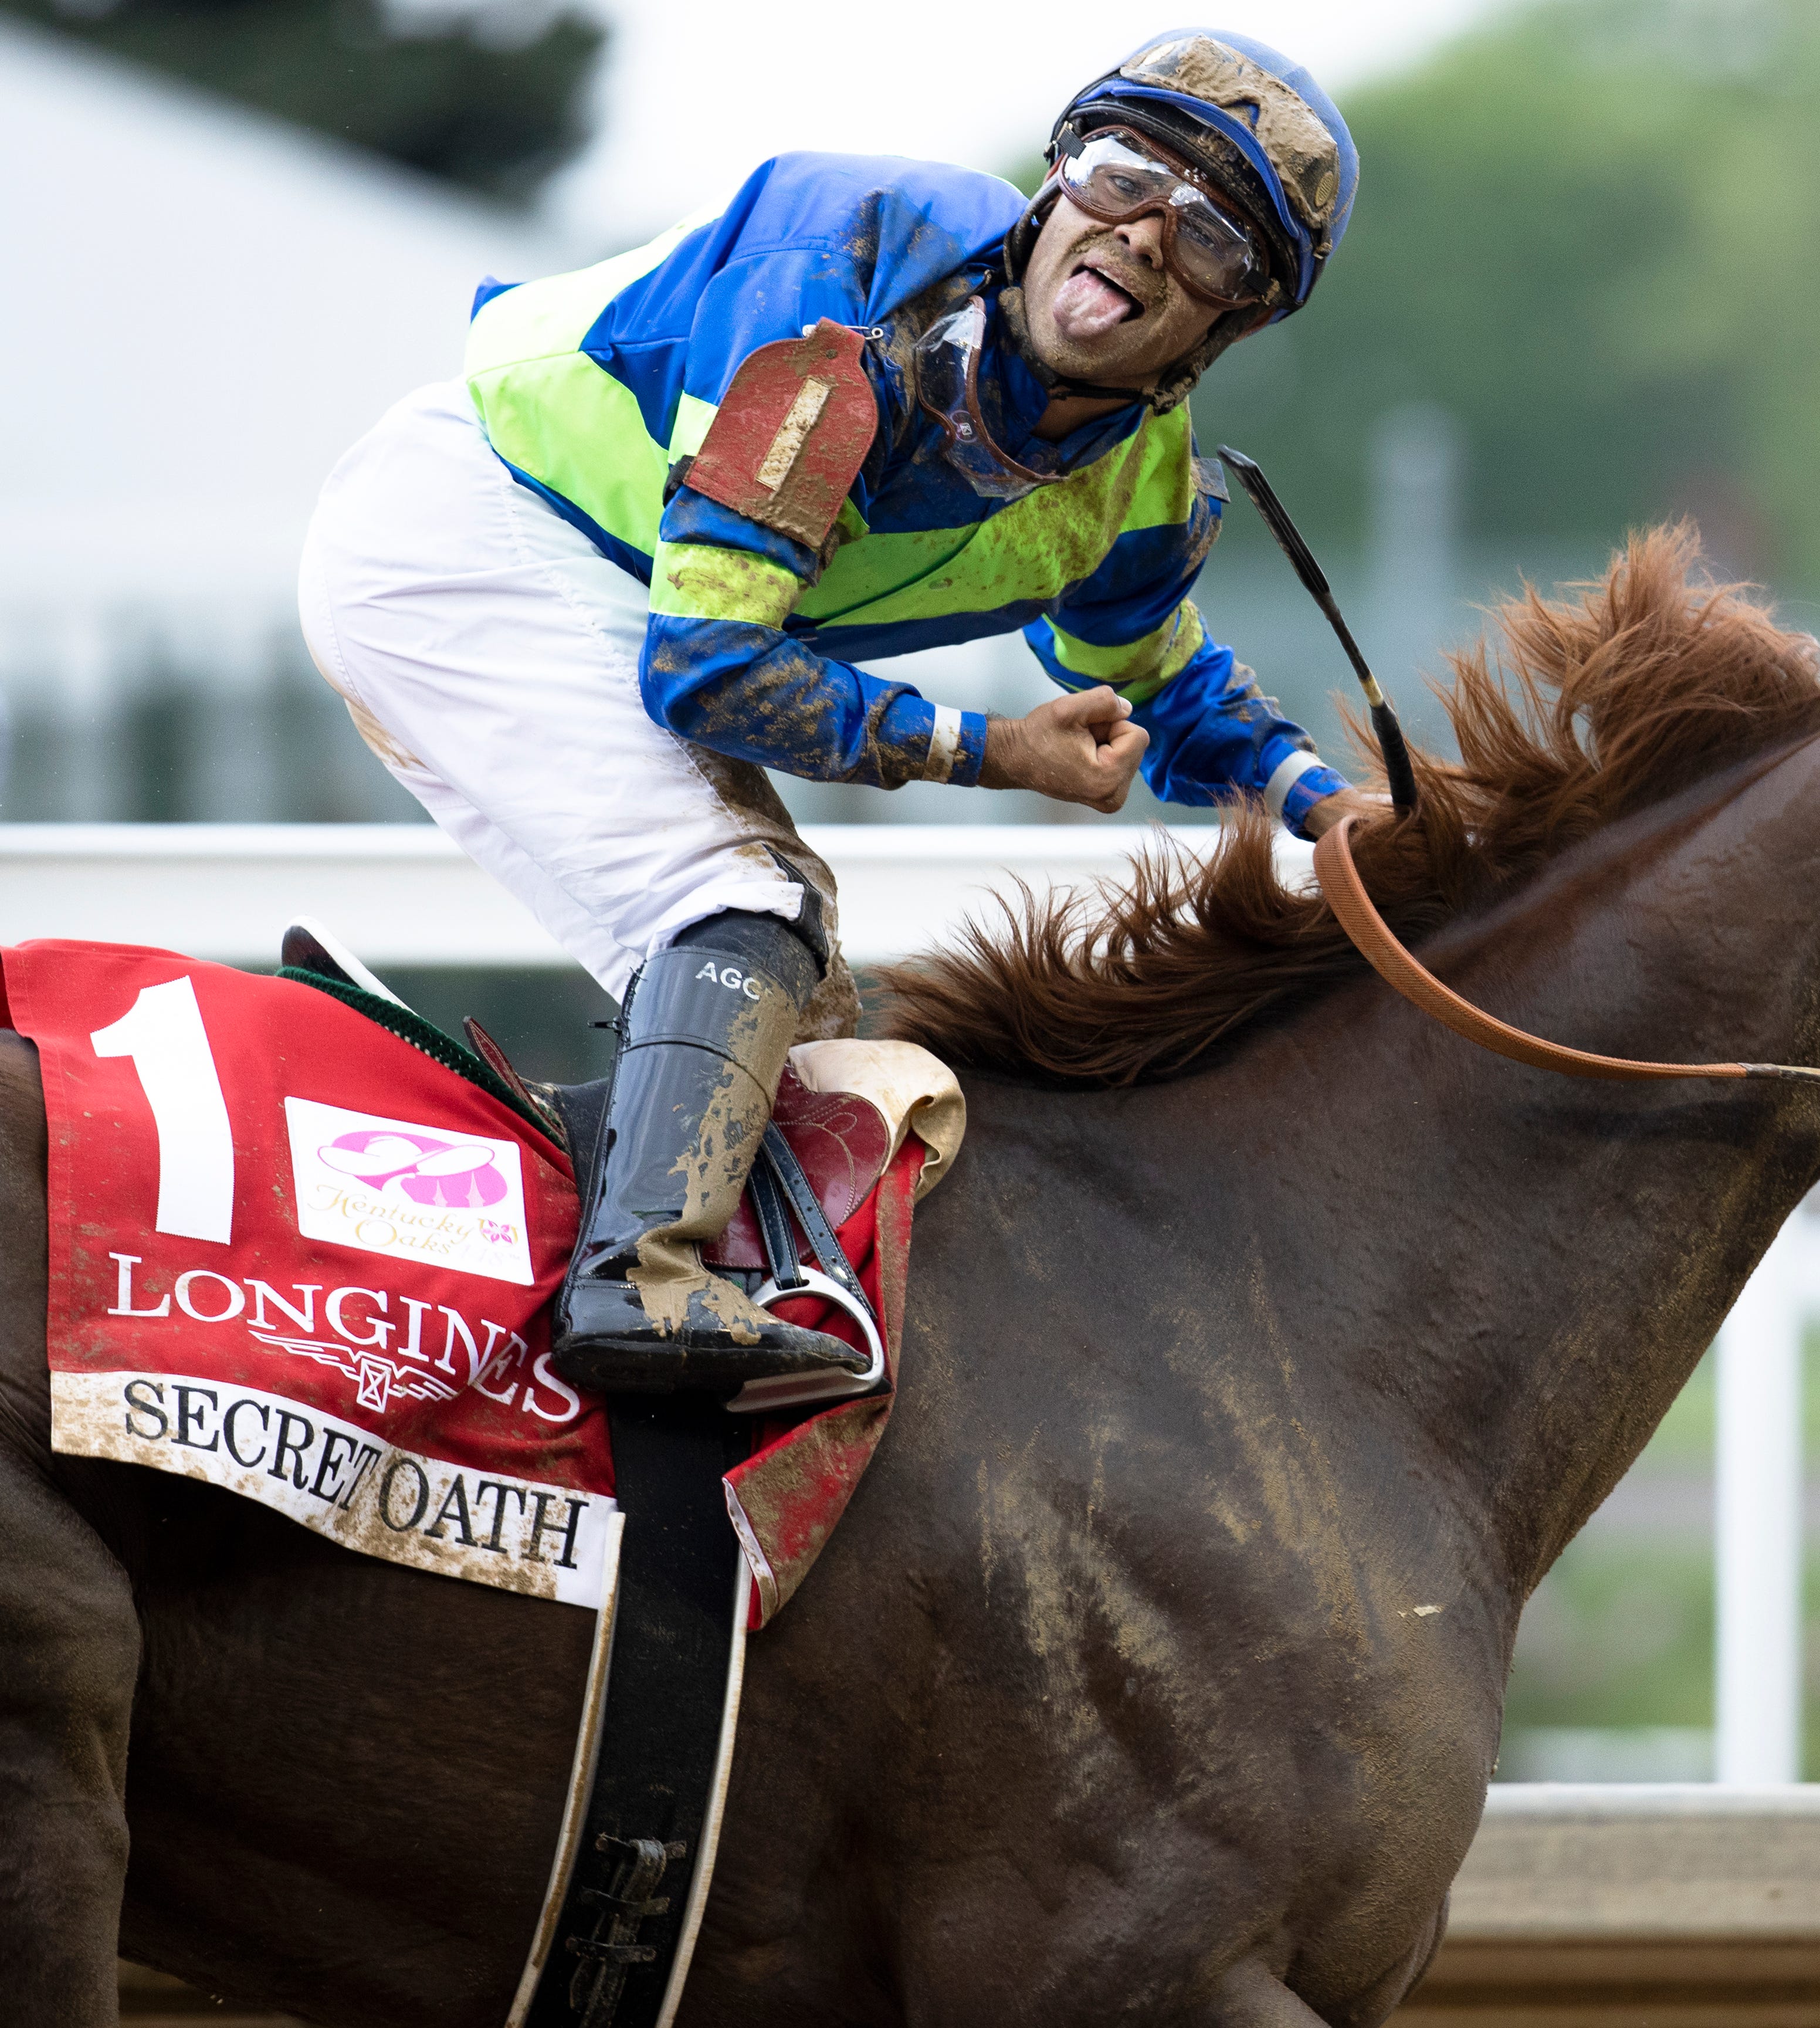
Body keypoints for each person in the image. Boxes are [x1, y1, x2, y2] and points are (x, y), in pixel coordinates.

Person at [298, 31, 1374, 1397]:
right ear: (1055, 184)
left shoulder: (1141, 482)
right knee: (739, 907)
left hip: (625, 594)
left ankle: (663, 1311)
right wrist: (985, 752)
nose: (1147, 239)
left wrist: (1323, 807)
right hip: (473, 528)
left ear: (1231, 326)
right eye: (1122, 178)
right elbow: (705, 672)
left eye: (1215, 243)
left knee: (797, 995)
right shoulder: (841, 275)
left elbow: (1163, 674)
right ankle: (637, 1286)